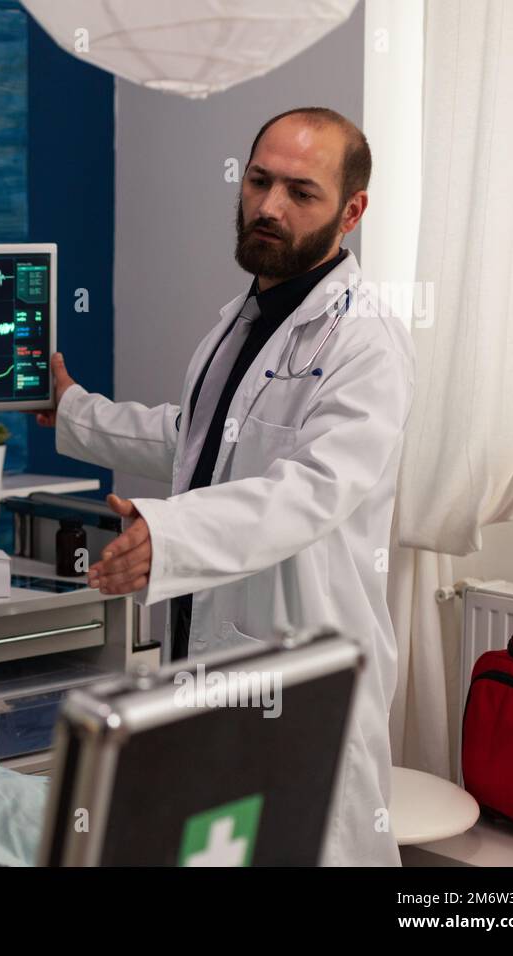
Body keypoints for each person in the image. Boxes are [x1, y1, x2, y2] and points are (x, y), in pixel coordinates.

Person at [37, 108, 415, 866]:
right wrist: (74, 412)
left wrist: (172, 535)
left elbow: (307, 489)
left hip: (302, 660)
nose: (269, 206)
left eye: (301, 192)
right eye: (259, 180)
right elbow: (201, 440)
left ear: (352, 211)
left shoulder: (364, 342)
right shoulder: (244, 321)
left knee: (314, 843)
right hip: (213, 653)